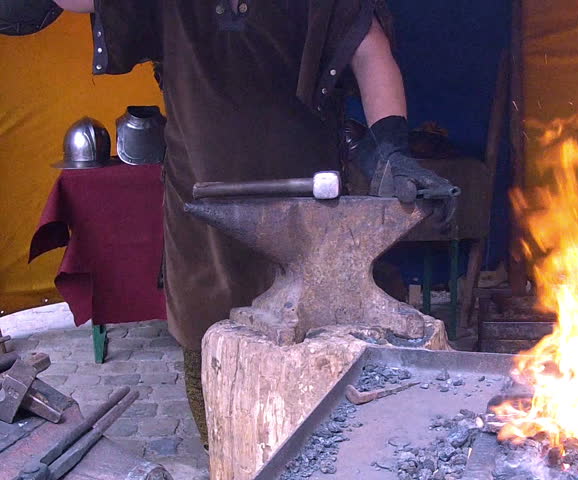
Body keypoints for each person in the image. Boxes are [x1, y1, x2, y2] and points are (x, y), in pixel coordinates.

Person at [52, 0, 455, 448]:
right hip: (202, 208)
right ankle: (225, 455)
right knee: (211, 353)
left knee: (321, 360)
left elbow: (369, 48)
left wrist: (390, 150)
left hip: (310, 207)